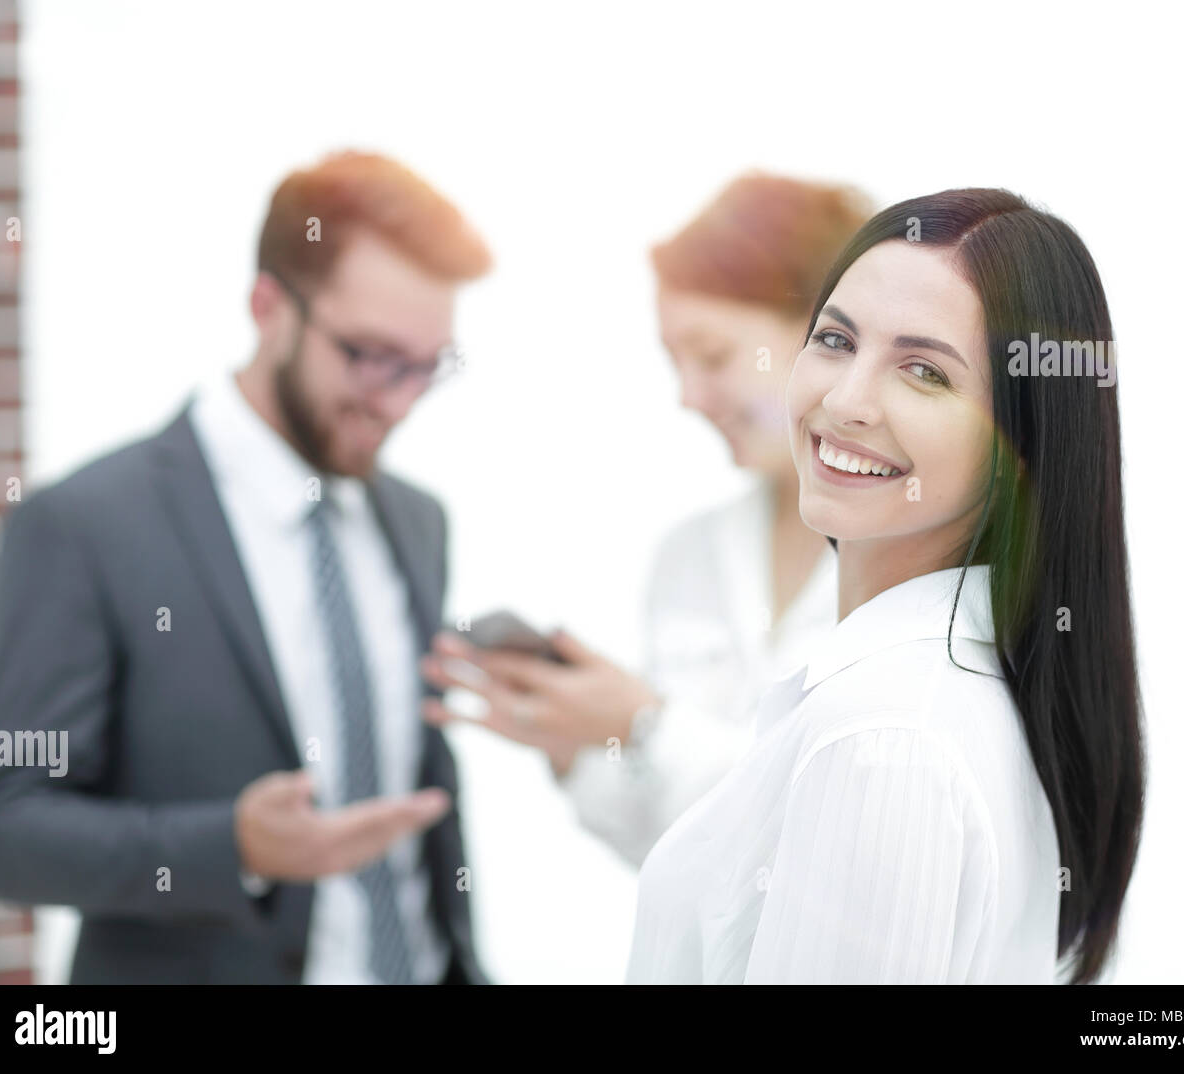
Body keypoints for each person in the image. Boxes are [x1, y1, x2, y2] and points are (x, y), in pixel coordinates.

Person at [0, 151, 493, 984]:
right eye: (369, 356)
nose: (398, 401)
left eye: (426, 367)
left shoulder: (417, 519)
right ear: (268, 308)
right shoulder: (82, 525)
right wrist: (232, 846)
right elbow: (8, 833)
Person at [624, 188, 1146, 984]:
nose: (844, 400)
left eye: (924, 372)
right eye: (835, 340)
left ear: (1023, 444)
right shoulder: (944, 695)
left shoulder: (879, 741)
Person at [420, 174, 871, 866]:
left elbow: (846, 831)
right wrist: (576, 744)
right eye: (674, 364)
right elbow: (674, 848)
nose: (689, 397)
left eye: (714, 357)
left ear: (828, 332)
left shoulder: (922, 556)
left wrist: (647, 725)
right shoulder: (690, 554)